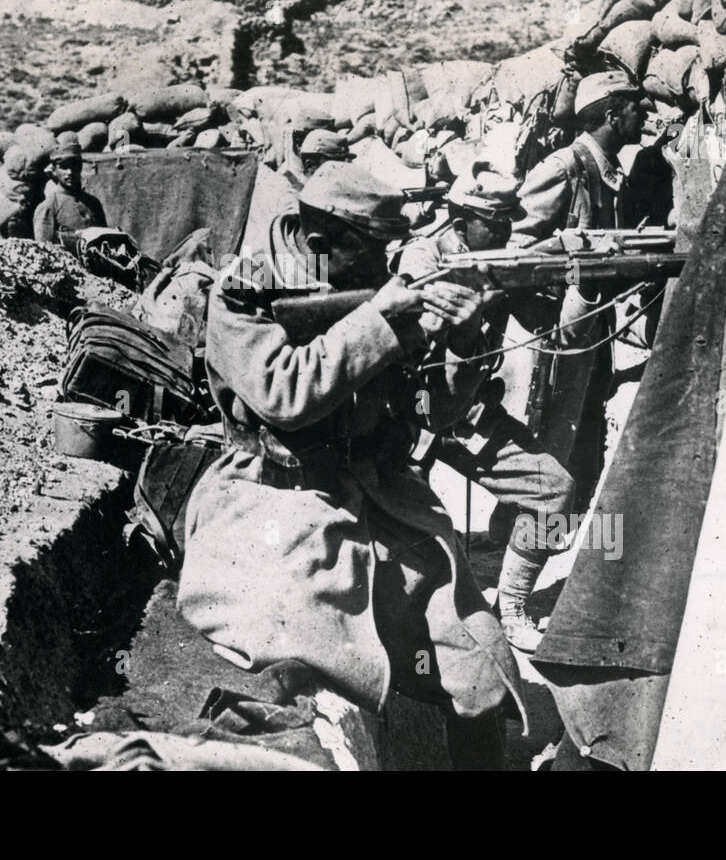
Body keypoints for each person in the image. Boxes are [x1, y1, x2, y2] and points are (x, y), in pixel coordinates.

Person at [178, 161, 525, 769]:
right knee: (293, 662)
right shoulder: (247, 291)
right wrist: (379, 320)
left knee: (480, 664)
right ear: (320, 242)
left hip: (380, 498)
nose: (381, 266)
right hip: (276, 504)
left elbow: (434, 413)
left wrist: (465, 345)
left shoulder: (371, 285)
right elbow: (283, 395)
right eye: (371, 251)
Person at [398, 171, 576, 653]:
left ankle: (512, 606)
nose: (505, 232)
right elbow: (419, 335)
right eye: (496, 223)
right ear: (462, 219)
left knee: (553, 489)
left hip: (467, 412)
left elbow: (547, 327)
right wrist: (478, 300)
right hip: (412, 415)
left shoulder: (494, 257)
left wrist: (570, 280)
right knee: (409, 542)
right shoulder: (423, 258)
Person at [509, 70, 648, 502]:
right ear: (611, 114)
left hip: (592, 326)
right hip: (556, 330)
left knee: (583, 424)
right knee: (548, 431)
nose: (642, 112)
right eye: (632, 105)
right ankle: (521, 526)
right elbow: (517, 249)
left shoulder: (610, 174)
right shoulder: (565, 167)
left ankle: (571, 525)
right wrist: (544, 315)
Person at [32, 133, 106, 241]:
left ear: (80, 167)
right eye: (64, 167)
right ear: (54, 170)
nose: (70, 172)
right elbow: (44, 251)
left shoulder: (94, 203)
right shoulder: (49, 207)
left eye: (74, 166)